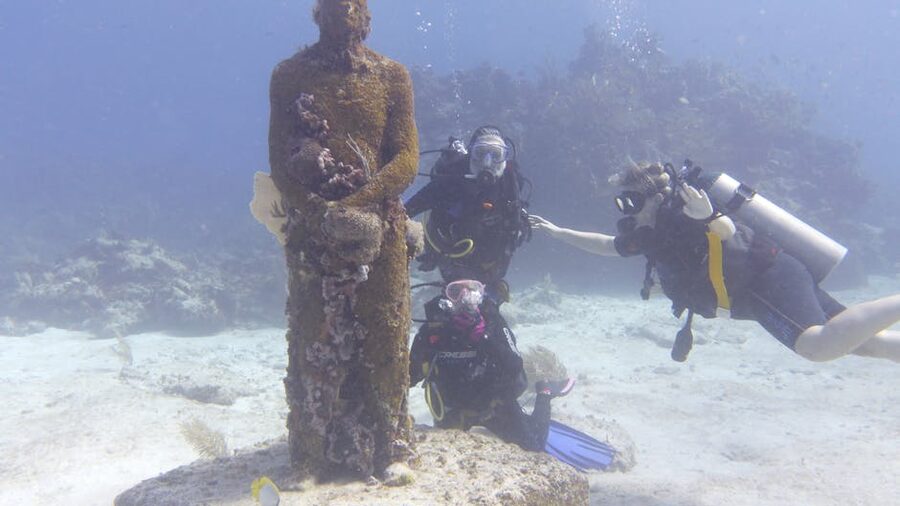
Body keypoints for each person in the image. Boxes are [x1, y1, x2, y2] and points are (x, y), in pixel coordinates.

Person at [530, 161, 900, 363]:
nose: (626, 212)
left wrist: (706, 215)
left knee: (817, 346)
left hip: (767, 283)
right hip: (760, 287)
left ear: (654, 198)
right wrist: (559, 232)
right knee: (867, 343)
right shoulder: (653, 233)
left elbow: (727, 231)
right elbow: (609, 245)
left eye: (630, 202)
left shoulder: (684, 211)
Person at [409, 279, 615, 471]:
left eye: (472, 291)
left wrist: (485, 338)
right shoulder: (432, 331)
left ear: (480, 295)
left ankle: (544, 391)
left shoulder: (493, 323)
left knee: (534, 449)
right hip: (451, 410)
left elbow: (514, 365)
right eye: (455, 291)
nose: (465, 298)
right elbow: (411, 374)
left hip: (494, 406)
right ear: (446, 297)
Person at [405, 126, 532, 307]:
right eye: (480, 153)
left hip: (490, 269)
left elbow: (513, 230)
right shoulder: (450, 182)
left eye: (496, 155)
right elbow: (405, 210)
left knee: (484, 316)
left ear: (505, 159)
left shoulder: (510, 185)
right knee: (456, 311)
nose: (488, 162)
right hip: (451, 261)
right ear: (469, 155)